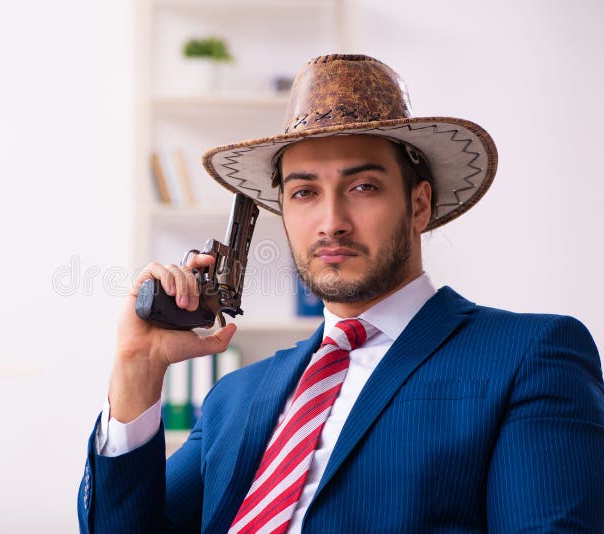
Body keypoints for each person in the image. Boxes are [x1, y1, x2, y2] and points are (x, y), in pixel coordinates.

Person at [78, 54, 604, 533]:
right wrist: (137, 369)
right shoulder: (233, 399)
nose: (331, 223)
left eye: (363, 187)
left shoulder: (530, 353)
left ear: (419, 205)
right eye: (304, 193)